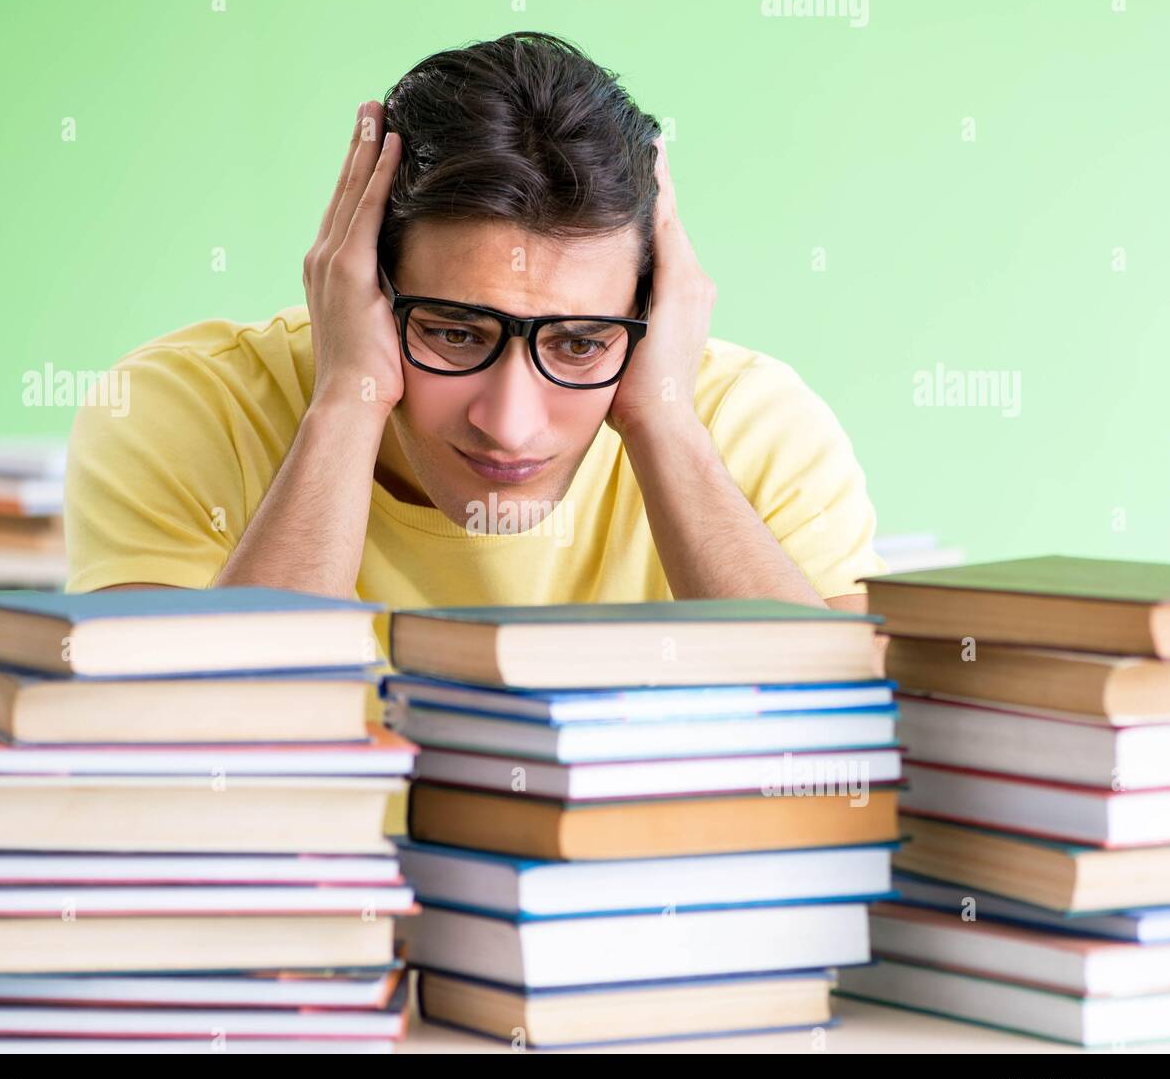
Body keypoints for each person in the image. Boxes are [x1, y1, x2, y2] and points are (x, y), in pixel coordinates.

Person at [66, 32, 885, 650]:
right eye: (456, 332)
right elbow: (176, 759)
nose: (511, 422)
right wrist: (347, 404)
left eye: (578, 343)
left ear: (656, 310)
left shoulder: (757, 431)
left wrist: (665, 426)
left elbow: (841, 765)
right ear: (362, 287)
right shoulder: (179, 410)